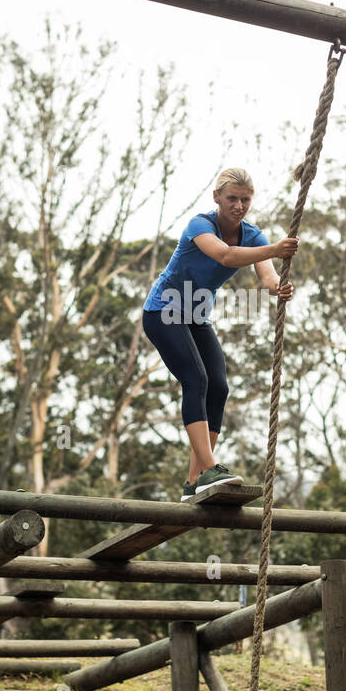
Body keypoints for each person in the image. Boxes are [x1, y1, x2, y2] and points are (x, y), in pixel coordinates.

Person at [142, 167, 296, 500]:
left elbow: (267, 279)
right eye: (232, 199)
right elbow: (225, 255)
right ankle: (210, 469)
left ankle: (194, 480)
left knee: (219, 386)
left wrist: (278, 287)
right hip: (163, 310)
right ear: (217, 198)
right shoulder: (200, 225)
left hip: (196, 316)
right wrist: (274, 249)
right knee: (196, 379)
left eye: (245, 199)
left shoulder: (253, 235)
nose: (239, 206)